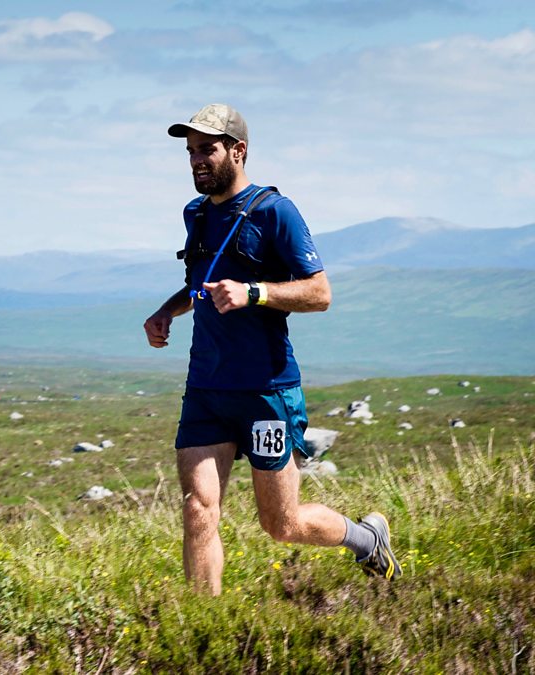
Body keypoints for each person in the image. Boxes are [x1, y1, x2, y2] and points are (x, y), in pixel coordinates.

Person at [143, 103, 399, 595]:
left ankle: (366, 539)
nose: (197, 160)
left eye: (208, 150)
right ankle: (205, 628)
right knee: (198, 510)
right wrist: (165, 312)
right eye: (191, 152)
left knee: (281, 524)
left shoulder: (274, 212)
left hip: (266, 393)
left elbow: (319, 293)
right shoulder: (195, 214)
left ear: (237, 151)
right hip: (207, 389)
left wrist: (254, 292)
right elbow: (198, 284)